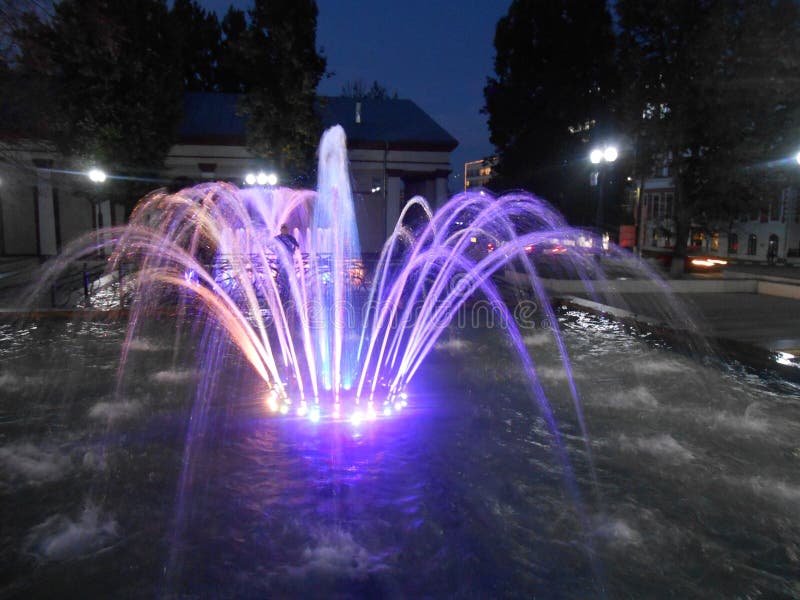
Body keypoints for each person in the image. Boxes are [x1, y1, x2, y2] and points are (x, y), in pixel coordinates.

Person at [274, 224, 300, 299]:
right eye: (283, 229)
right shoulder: (277, 238)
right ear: (281, 230)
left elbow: (297, 246)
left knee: (288, 276)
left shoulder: (291, 238)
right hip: (280, 260)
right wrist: (276, 252)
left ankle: (287, 294)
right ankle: (283, 293)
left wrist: (292, 252)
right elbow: (269, 245)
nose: (284, 230)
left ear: (287, 230)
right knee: (281, 277)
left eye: (285, 229)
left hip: (289, 260)